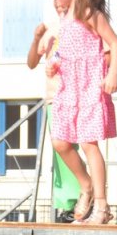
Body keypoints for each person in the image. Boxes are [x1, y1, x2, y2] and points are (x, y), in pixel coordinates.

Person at [45, 0, 117, 225]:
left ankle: (101, 205)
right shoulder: (64, 18)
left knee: (89, 145)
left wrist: (112, 74)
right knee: (60, 142)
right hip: (69, 87)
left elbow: (114, 43)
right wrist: (55, 63)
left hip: (89, 85)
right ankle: (85, 184)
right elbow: (65, 49)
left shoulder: (89, 12)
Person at [27, 20, 79, 223]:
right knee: (60, 152)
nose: (56, 1)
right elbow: (31, 63)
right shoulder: (51, 30)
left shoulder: (83, 25)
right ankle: (67, 204)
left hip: (74, 97)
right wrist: (36, 39)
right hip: (53, 98)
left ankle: (80, 198)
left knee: (71, 148)